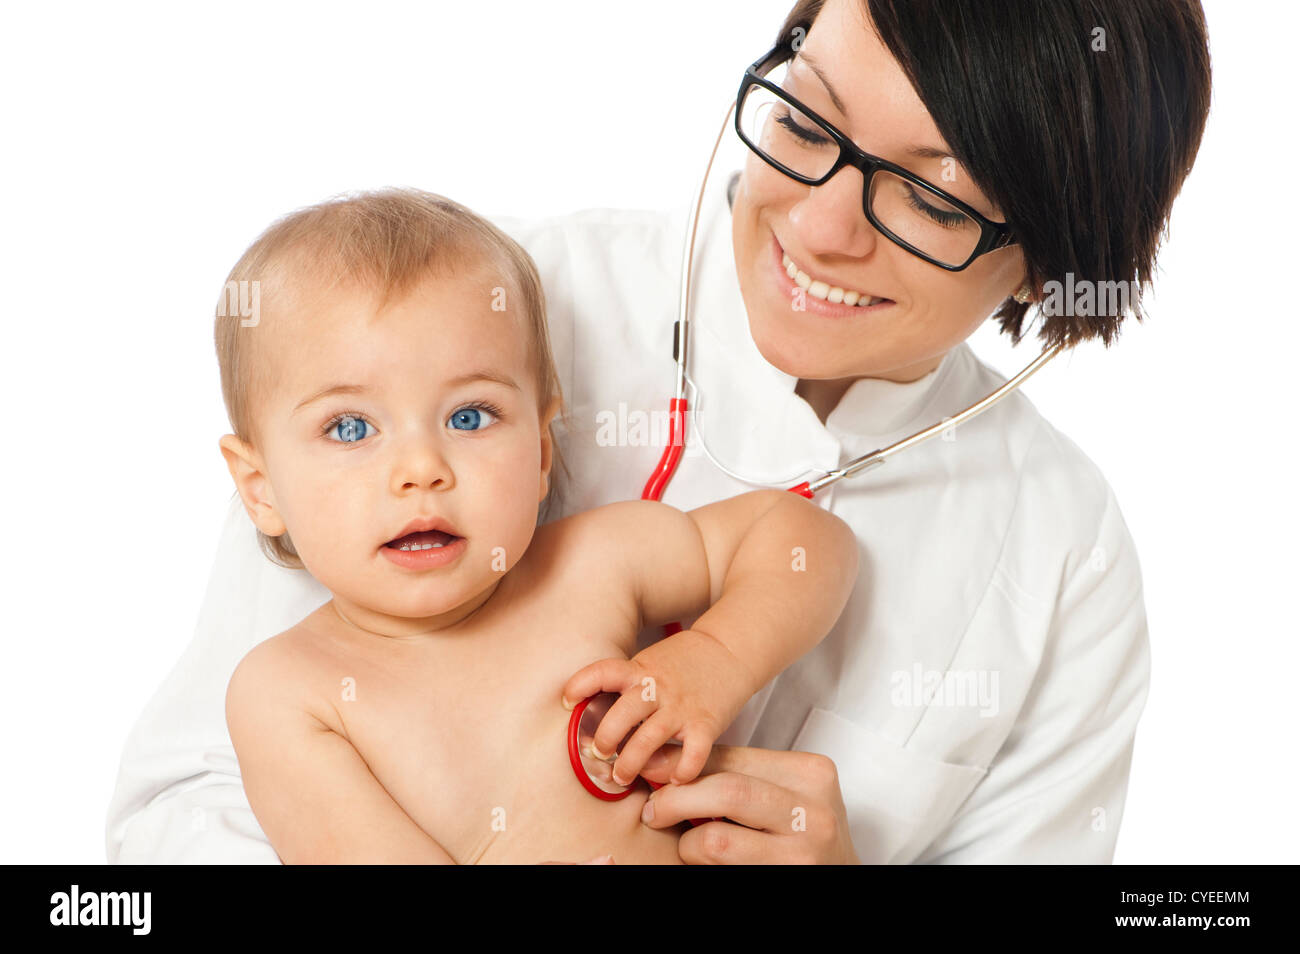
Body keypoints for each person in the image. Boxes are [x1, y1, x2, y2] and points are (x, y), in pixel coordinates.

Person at [107, 0, 1212, 864]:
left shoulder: (1064, 554)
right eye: (807, 119)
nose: (818, 227)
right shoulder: (467, 318)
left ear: (1053, 252)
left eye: (933, 199)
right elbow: (184, 807)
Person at [213, 188, 857, 863]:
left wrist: (717, 659)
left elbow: (804, 541)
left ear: (542, 451)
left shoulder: (590, 565)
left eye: (470, 416)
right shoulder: (291, 693)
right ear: (260, 489)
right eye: (350, 428)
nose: (421, 469)